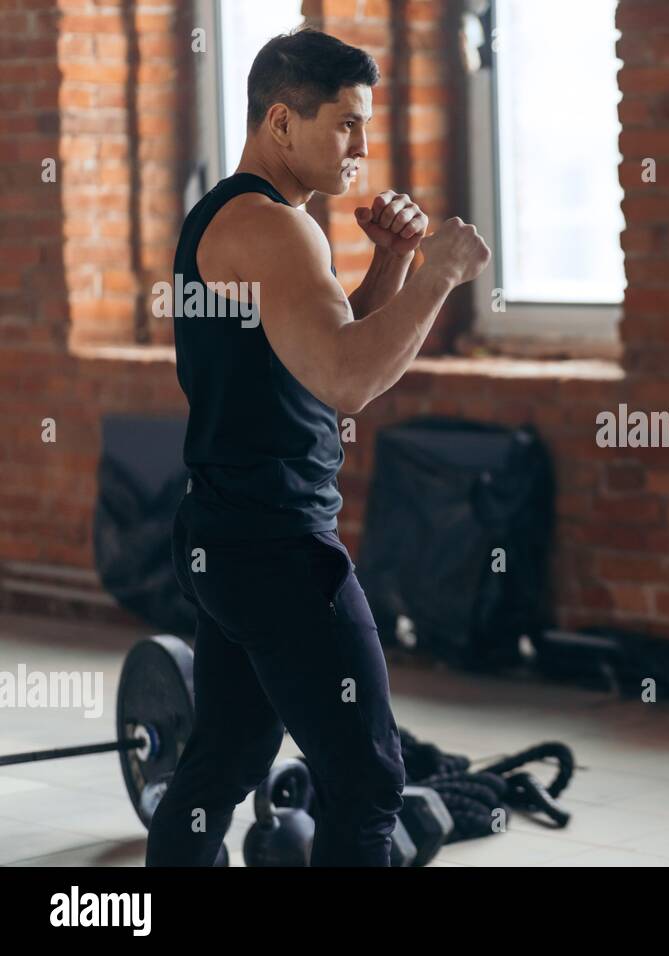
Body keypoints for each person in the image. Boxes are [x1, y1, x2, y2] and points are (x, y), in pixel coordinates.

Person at [146, 27, 490, 866]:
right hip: (277, 549)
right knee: (367, 783)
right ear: (279, 122)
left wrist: (396, 263)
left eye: (365, 125)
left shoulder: (233, 218)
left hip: (227, 535)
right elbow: (347, 381)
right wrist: (442, 274)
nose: (363, 147)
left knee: (224, 762)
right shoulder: (277, 230)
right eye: (344, 124)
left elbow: (317, 355)